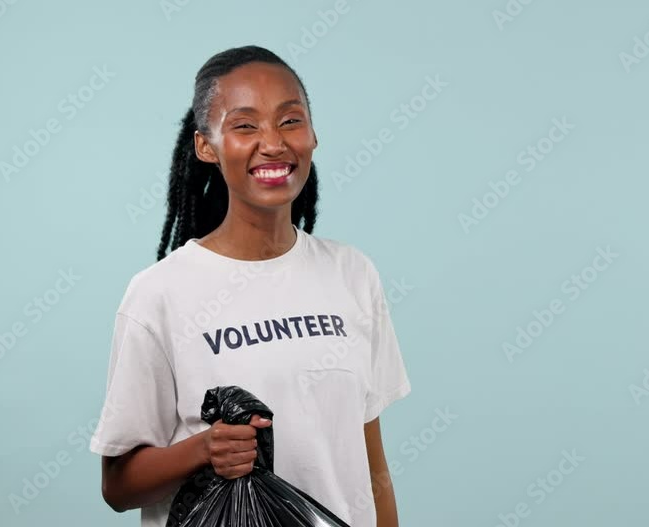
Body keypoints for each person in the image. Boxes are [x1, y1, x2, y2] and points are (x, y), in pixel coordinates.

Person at [89, 45, 411, 527]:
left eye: (290, 121)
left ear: (313, 135)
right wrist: (204, 449)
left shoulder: (352, 274)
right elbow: (118, 487)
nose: (273, 143)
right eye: (245, 126)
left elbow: (371, 465)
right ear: (206, 146)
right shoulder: (159, 294)